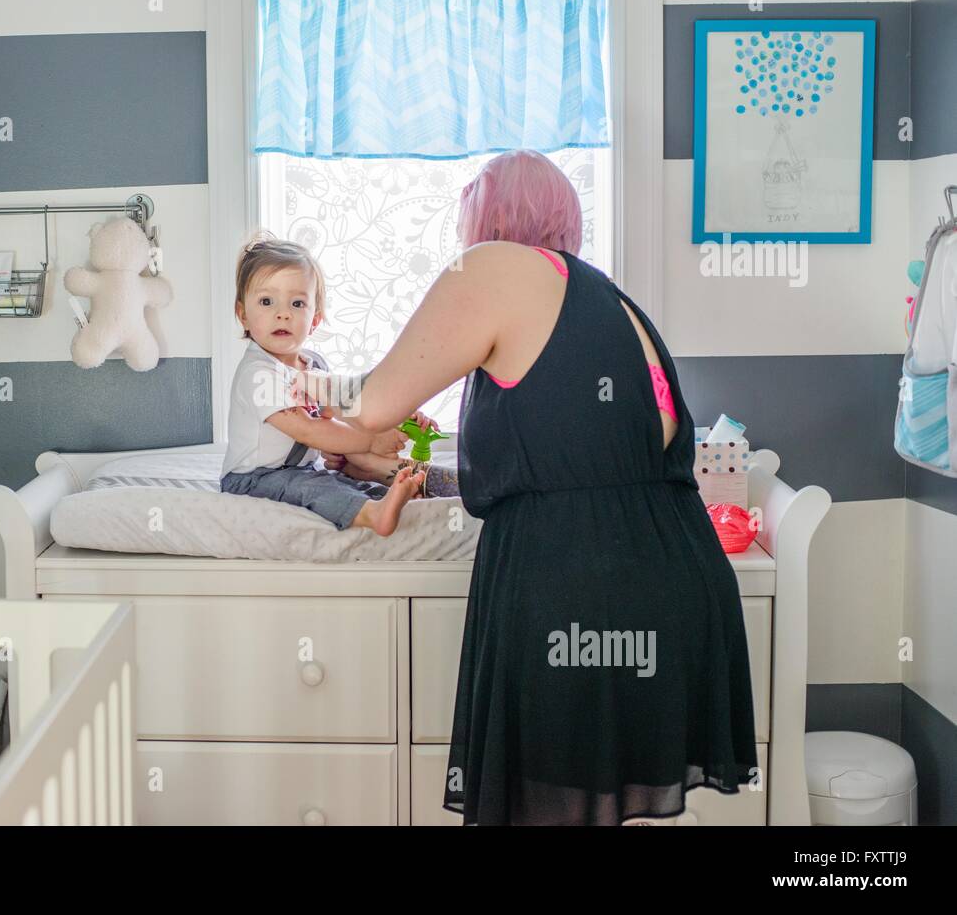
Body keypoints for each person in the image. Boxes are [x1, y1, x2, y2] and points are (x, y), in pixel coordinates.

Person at [295, 149, 759, 825]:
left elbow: (372, 403)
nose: (461, 243)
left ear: (489, 219)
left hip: (575, 589)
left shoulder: (491, 267)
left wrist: (299, 381)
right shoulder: (609, 299)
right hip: (676, 586)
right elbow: (573, 461)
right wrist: (434, 476)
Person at [218, 235, 434, 536]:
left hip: (301, 469)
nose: (283, 313)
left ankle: (385, 498)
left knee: (333, 482)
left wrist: (386, 423)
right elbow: (309, 429)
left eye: (297, 303)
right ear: (243, 315)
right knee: (310, 487)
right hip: (253, 478)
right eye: (267, 301)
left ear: (315, 320)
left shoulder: (313, 365)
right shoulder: (258, 373)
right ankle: (374, 515)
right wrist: (371, 442)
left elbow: (340, 411)